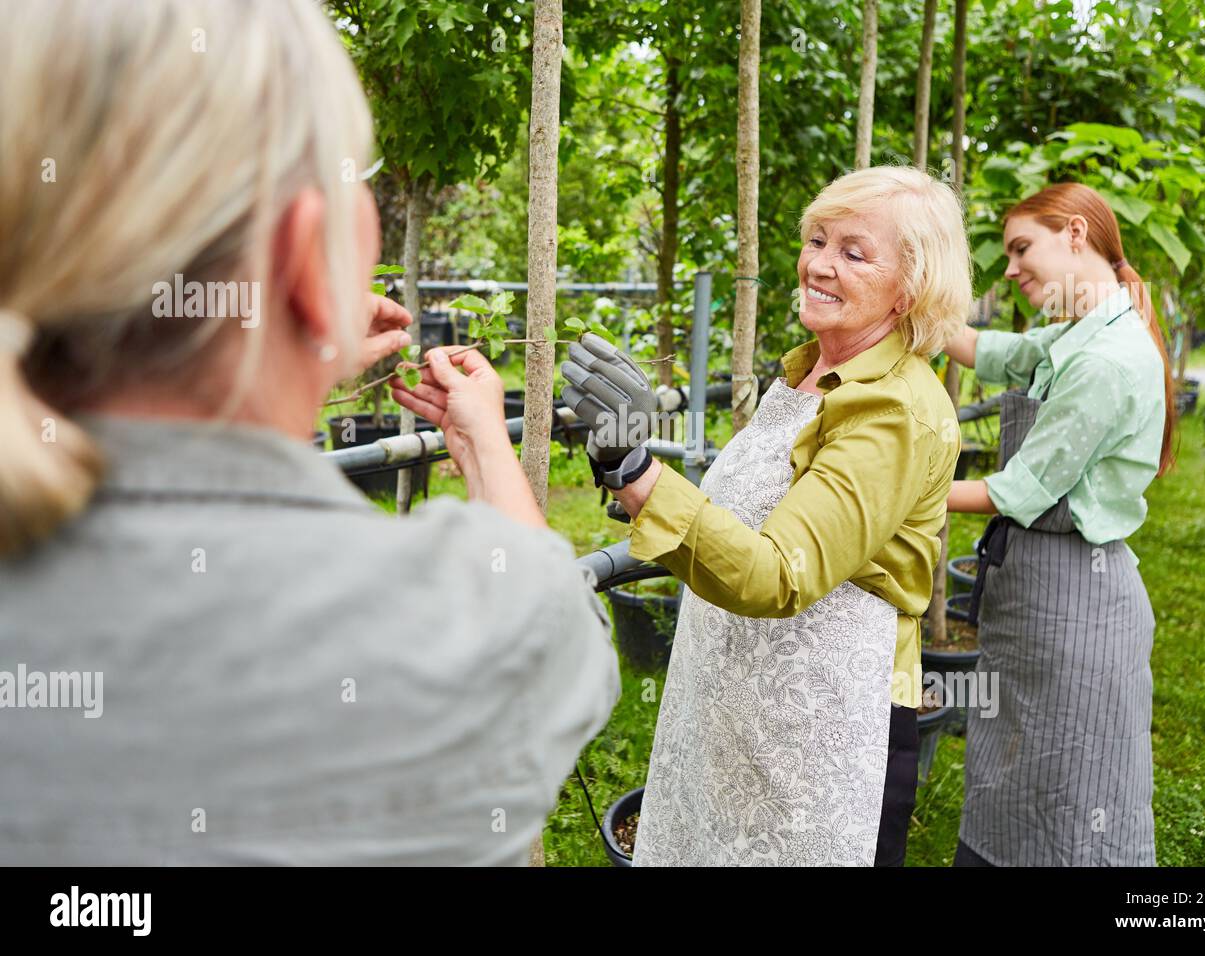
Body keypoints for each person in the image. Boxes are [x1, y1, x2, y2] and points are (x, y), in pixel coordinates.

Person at [0, 0, 618, 865]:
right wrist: (479, 438)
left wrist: (285, 349)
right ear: (310, 247)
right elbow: (562, 619)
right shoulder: (463, 629)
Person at [556, 166, 968, 865]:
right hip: (730, 702)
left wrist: (636, 471)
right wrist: (621, 469)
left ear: (911, 289)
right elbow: (731, 521)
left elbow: (778, 574)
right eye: (816, 240)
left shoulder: (894, 410)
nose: (820, 264)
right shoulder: (810, 371)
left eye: (853, 252)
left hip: (826, 727)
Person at [942, 181, 1173, 866]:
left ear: (1075, 234)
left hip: (1079, 606)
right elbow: (991, 351)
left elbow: (1021, 489)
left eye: (1021, 248)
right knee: (1013, 772)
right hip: (1040, 591)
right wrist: (909, 307)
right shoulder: (1078, 330)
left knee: (1072, 794)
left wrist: (898, 489)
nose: (1010, 269)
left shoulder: (1104, 359)